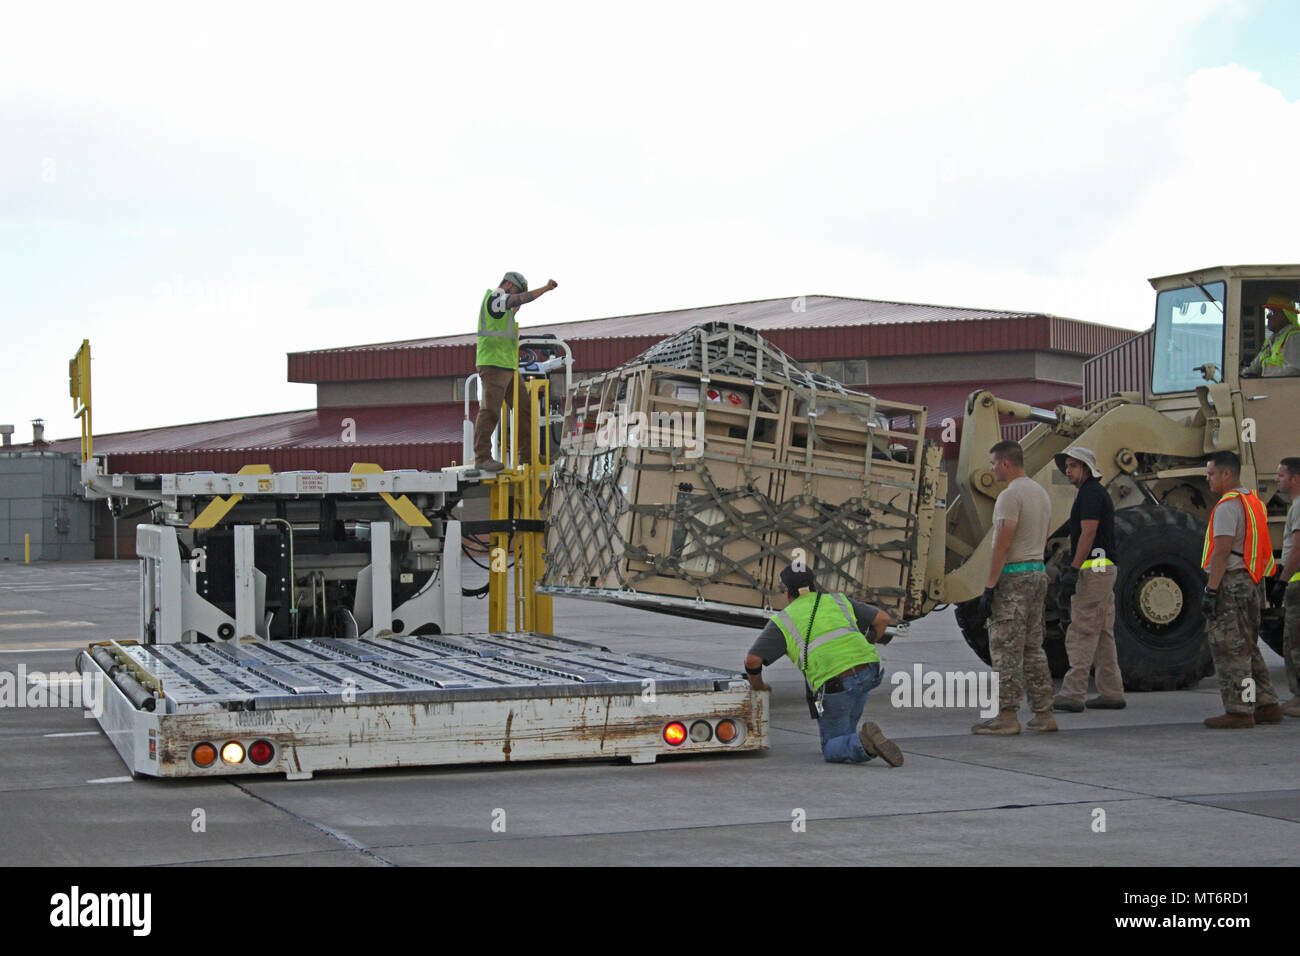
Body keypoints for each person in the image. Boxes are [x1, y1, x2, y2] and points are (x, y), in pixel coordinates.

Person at [744, 563, 903, 766]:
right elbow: (883, 619)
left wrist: (759, 687)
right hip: (869, 671)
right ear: (813, 584)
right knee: (846, 718)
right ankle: (856, 738)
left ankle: (863, 743)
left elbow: (752, 660)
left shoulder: (783, 620)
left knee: (830, 748)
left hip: (836, 682)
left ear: (786, 592)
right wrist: (866, 645)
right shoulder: (838, 600)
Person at [972, 440, 1056, 735]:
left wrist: (990, 586)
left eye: (993, 463)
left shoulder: (1010, 496)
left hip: (1014, 579)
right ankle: (1044, 713)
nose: (992, 468)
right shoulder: (1041, 493)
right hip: (1037, 572)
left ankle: (1007, 716)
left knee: (1006, 648)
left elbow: (1002, 544)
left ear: (1006, 463)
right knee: (1034, 648)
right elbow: (1044, 536)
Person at [1200, 450, 1283, 728]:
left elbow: (1221, 552)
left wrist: (1211, 591)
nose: (1208, 479)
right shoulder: (1254, 502)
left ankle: (1239, 709)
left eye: (1211, 473)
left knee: (1228, 646)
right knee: (1248, 645)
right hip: (1250, 581)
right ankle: (1267, 703)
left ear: (1227, 474)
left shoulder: (1226, 506)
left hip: (1230, 581)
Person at [1052, 446, 1126, 712]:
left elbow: (1088, 532)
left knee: (1082, 629)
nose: (1068, 470)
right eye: (1067, 466)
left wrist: (1073, 568)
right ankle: (1112, 692)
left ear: (1086, 468)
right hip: (1104, 569)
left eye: (1073, 465)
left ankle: (1073, 693)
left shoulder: (1091, 493)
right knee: (1104, 633)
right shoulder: (1093, 493)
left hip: (1094, 571)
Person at [472, 271, 558, 472]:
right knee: (490, 410)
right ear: (509, 285)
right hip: (493, 365)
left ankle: (527, 456)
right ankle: (482, 457)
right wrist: (545, 289)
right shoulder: (495, 298)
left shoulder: (503, 309)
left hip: (508, 366)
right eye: (517, 293)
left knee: (524, 408)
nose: (517, 302)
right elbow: (519, 300)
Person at [1269, 457, 1300, 717]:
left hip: (1297, 583)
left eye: (1281, 475)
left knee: (1295, 644)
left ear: (1295, 479)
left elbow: (1298, 549)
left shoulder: (1299, 507)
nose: (1277, 479)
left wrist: (1282, 580)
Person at [1242, 294, 1300, 378]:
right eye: (1268, 312)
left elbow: (1294, 370)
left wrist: (1264, 373)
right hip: (1269, 387)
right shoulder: (1272, 338)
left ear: (1285, 315)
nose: (1267, 316)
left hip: (1283, 389)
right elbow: (1255, 366)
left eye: (1271, 312)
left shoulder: (1295, 337)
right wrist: (1242, 373)